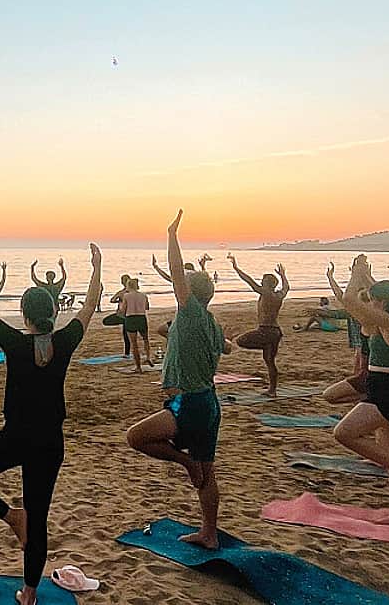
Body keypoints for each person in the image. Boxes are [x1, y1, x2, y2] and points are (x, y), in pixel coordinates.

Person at [0, 239, 102, 605]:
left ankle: (10, 516)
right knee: (39, 516)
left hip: (16, 438)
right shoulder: (64, 342)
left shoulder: (14, 342)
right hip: (49, 444)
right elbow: (90, 306)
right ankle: (29, 592)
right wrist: (96, 268)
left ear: (24, 313)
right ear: (52, 312)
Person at [128, 211, 230, 549]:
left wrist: (171, 235)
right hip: (207, 402)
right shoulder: (210, 323)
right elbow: (224, 348)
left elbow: (176, 273)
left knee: (136, 437)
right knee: (208, 472)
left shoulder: (191, 312)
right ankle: (209, 533)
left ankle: (184, 461)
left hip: (191, 402)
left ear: (190, 294)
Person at [328, 258, 389, 527]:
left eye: (376, 299)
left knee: (343, 433)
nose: (373, 302)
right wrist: (367, 275)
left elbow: (349, 301)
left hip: (388, 392)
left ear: (386, 303)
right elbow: (377, 293)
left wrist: (356, 276)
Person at [226, 254, 289, 397]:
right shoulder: (279, 295)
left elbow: (249, 281)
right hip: (275, 332)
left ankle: (272, 389)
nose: (261, 283)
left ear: (268, 284)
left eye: (263, 281)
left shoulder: (267, 293)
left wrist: (236, 268)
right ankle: (272, 390)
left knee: (240, 341)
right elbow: (286, 287)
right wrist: (283, 275)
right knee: (269, 361)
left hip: (266, 331)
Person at [323, 255, 376, 406]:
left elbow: (345, 297)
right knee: (359, 374)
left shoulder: (366, 302)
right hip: (360, 343)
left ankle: (364, 400)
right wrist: (331, 278)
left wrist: (362, 274)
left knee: (361, 373)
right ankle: (363, 400)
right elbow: (342, 296)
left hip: (366, 344)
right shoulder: (357, 300)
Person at [109, 277, 151, 372]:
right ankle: (148, 357)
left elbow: (123, 310)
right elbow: (147, 307)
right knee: (146, 339)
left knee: (134, 343)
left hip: (131, 318)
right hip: (141, 317)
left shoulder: (126, 296)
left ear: (128, 286)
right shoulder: (144, 295)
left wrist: (120, 313)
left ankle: (138, 367)